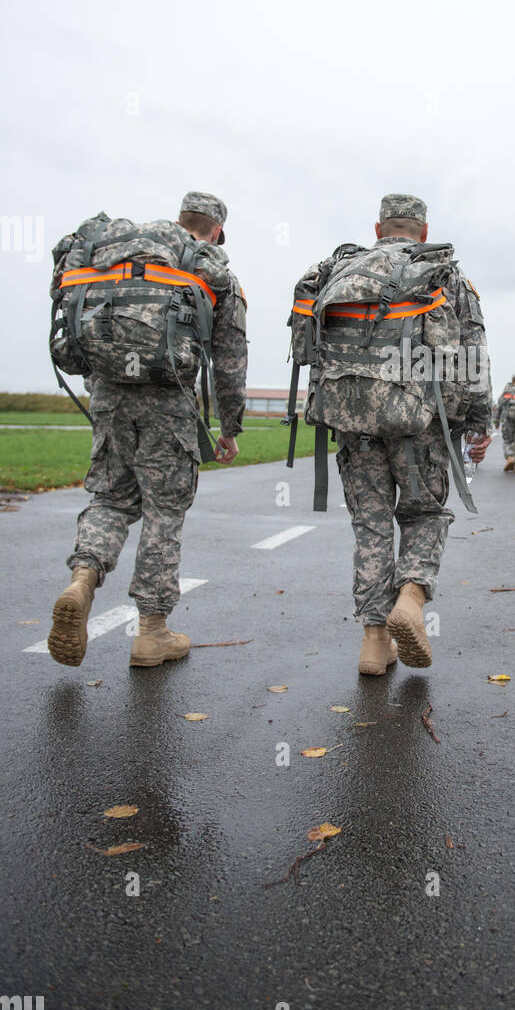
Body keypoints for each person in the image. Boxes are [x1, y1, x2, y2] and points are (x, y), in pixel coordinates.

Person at [292, 194, 492, 675]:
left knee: (371, 524)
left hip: (352, 420)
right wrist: (477, 423)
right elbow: (473, 356)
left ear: (377, 227)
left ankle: (374, 644)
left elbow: (303, 350)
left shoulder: (336, 272)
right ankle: (411, 598)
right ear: (423, 232)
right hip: (421, 421)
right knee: (424, 513)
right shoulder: (446, 275)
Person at [47, 192, 248, 669]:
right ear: (216, 230)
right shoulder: (207, 265)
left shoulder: (111, 249)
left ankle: (82, 577)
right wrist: (229, 426)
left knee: (111, 498)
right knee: (164, 511)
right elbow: (231, 359)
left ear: (181, 218)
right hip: (169, 403)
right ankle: (151, 634)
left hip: (109, 395)